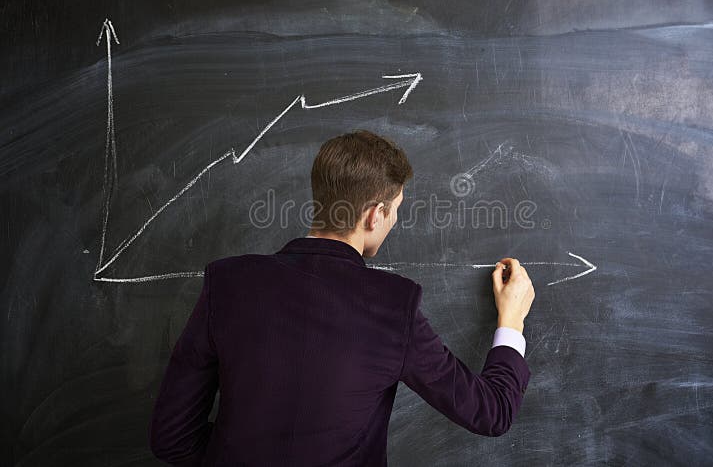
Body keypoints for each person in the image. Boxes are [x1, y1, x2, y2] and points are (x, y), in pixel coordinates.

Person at [148, 129, 536, 466]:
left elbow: (172, 437)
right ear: (374, 215)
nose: (395, 221)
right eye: (395, 210)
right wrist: (512, 321)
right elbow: (491, 412)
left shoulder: (228, 282)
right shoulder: (393, 306)